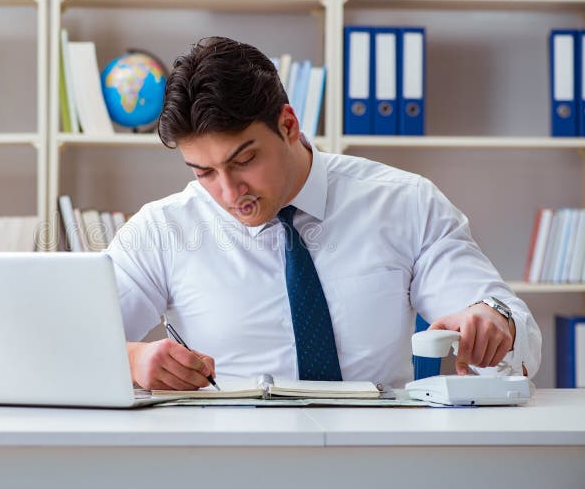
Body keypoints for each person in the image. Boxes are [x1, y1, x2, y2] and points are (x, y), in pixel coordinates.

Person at [106, 36, 541, 391]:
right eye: (204, 172)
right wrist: (131, 359)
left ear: (289, 125)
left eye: (243, 160)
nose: (228, 191)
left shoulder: (404, 204)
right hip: (230, 459)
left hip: (378, 457)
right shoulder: (164, 230)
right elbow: (59, 342)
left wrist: (490, 321)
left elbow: (513, 327)